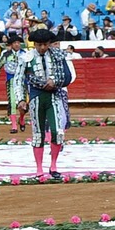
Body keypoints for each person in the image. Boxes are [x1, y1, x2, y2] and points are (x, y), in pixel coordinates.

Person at [18, 26, 75, 179]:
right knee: (38, 134)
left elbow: (68, 77)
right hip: (36, 98)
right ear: (34, 44)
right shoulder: (26, 57)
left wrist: (55, 81)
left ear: (49, 43)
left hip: (54, 96)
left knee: (57, 132)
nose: (42, 47)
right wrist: (21, 99)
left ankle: (53, 165)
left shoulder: (58, 55)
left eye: (45, 44)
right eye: (39, 44)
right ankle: (39, 168)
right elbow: (18, 80)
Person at [0, 36, 26, 132]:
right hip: (11, 81)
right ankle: (14, 126)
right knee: (12, 103)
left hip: (23, 81)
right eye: (15, 43)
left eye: (18, 43)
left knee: (23, 104)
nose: (17, 44)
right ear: (11, 45)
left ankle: (22, 119)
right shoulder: (6, 55)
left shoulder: (25, 54)